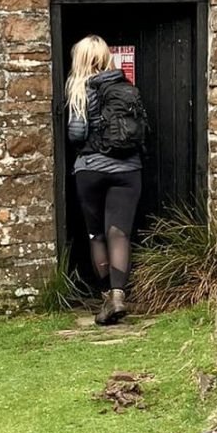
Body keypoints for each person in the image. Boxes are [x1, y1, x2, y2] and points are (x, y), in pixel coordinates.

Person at [65, 35, 147, 326]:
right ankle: (118, 295)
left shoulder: (80, 89)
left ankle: (105, 299)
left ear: (82, 59)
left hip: (92, 170)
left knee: (96, 234)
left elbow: (76, 134)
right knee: (119, 233)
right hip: (128, 171)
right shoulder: (126, 88)